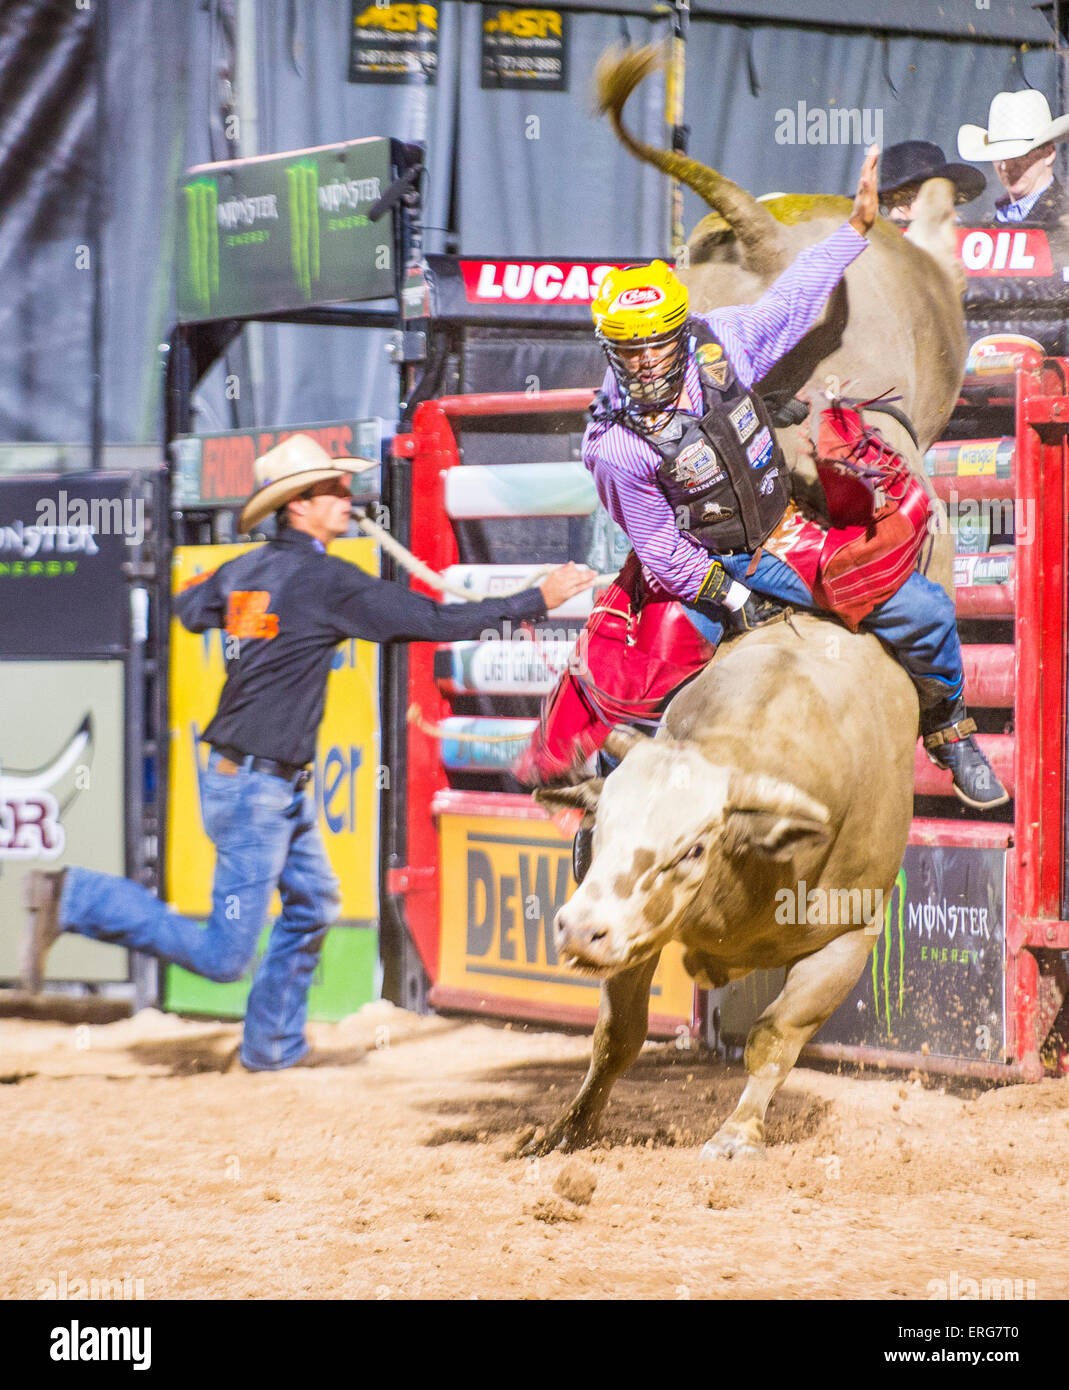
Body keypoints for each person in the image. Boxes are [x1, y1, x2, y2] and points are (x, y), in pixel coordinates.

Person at [21, 434, 596, 1070]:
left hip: (254, 781)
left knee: (314, 902)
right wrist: (536, 599)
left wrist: (245, 607)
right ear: (300, 506)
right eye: (335, 491)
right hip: (255, 790)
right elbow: (432, 625)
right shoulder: (325, 582)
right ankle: (71, 897)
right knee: (224, 955)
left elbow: (188, 609)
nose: (348, 499)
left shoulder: (250, 572)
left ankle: (272, 1045)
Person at [523, 148, 1007, 814]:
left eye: (654, 345)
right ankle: (605, 801)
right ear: (612, 349)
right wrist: (727, 597)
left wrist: (857, 228)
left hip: (779, 532)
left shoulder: (717, 343)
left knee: (919, 607)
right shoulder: (613, 445)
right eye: (628, 351)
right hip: (702, 558)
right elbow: (659, 548)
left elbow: (793, 299)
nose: (643, 364)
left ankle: (948, 731)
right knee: (644, 675)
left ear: (677, 334)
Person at [957, 90, 1069, 223]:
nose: (1006, 166)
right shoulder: (995, 218)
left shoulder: (1063, 220)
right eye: (999, 156)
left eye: (1019, 156)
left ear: (1049, 153)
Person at [877, 140, 985, 224]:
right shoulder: (881, 247)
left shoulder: (970, 247)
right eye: (888, 205)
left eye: (907, 200)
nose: (895, 214)